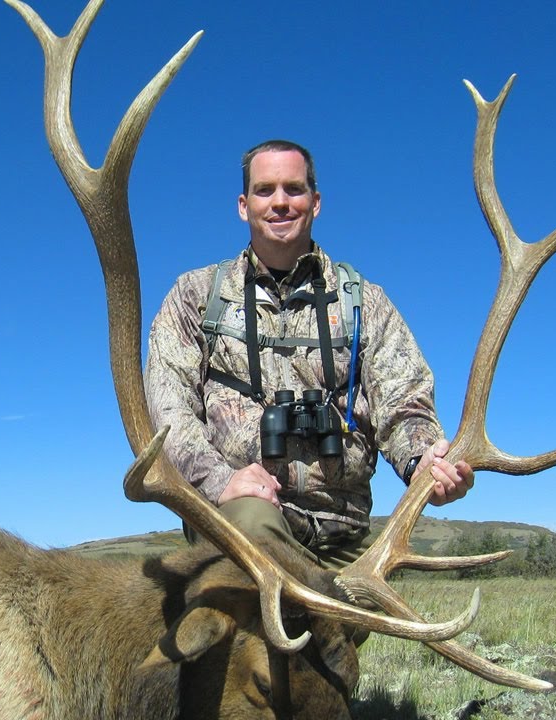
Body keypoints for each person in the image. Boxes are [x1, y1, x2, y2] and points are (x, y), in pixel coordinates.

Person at [144, 139, 474, 570]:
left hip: (343, 532)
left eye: (294, 189)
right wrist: (220, 481)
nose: (280, 202)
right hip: (240, 523)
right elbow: (168, 411)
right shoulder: (195, 296)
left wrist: (424, 460)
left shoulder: (362, 302)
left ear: (315, 202)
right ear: (244, 206)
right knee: (255, 540)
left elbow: (404, 401)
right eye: (265, 190)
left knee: (349, 605)